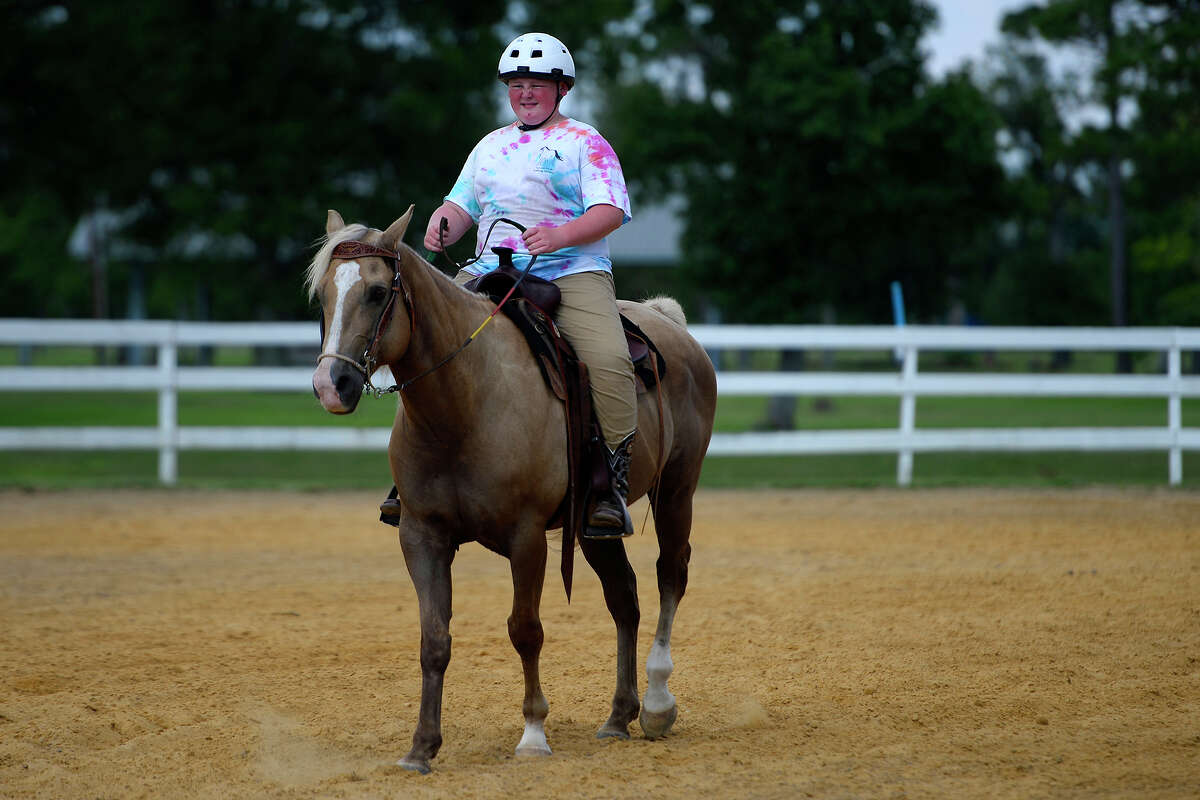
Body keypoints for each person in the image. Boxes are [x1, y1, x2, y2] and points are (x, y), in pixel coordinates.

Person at [420, 32, 637, 539]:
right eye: (517, 84)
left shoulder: (586, 142)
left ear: (561, 88)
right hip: (489, 269)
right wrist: (443, 223)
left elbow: (610, 211)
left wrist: (560, 235)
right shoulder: (489, 147)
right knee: (426, 338)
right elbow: (462, 206)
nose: (526, 92)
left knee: (608, 358)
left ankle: (610, 483)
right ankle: (415, 474)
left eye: (537, 83)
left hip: (571, 270)